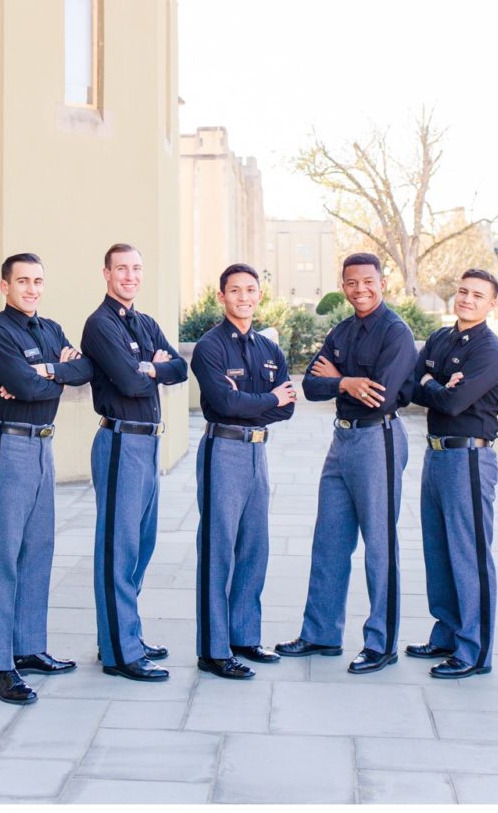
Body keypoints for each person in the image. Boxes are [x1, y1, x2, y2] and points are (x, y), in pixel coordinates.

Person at [277, 253, 418, 673]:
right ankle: (321, 633)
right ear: (343, 286)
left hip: (379, 438)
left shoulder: (396, 333)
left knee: (379, 543)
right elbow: (312, 386)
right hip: (342, 440)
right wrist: (347, 381)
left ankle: (381, 643)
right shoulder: (342, 330)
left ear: (383, 282)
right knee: (329, 539)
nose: (360, 289)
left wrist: (345, 379)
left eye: (368, 282)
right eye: (352, 283)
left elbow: (382, 395)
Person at [0, 252, 95, 704]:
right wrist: (51, 376)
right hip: (9, 445)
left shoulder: (50, 330)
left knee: (39, 549)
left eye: (38, 281)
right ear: (4, 285)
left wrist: (47, 372)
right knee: (4, 554)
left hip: (43, 444)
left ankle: (27, 647)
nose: (31, 289)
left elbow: (85, 369)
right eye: (22, 281)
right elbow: (23, 390)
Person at [81, 243, 189, 682]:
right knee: (117, 548)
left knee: (141, 547)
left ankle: (124, 633)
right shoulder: (99, 325)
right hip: (121, 441)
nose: (130, 276)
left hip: (148, 445)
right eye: (121, 268)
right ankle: (120, 653)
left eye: (136, 268)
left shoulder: (145, 322)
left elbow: (180, 368)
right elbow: (127, 381)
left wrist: (152, 367)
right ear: (106, 273)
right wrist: (150, 367)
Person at [188, 264, 298, 680]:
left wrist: (255, 400)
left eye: (251, 290)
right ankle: (214, 650)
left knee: (255, 546)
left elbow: (286, 409)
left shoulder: (270, 350)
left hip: (258, 453)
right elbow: (225, 404)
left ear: (259, 294)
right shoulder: (210, 348)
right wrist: (267, 397)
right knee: (219, 549)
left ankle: (244, 637)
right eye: (235, 291)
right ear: (222, 297)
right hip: (224, 450)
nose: (244, 297)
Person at [405, 268, 498, 679]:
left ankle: (474, 651)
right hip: (436, 455)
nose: (467, 299)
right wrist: (435, 382)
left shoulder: (490, 351)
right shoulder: (439, 339)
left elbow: (452, 403)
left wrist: (433, 383)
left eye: (477, 295)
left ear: (491, 304)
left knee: (469, 553)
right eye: (463, 291)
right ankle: (446, 633)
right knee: (439, 549)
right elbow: (412, 386)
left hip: (469, 459)